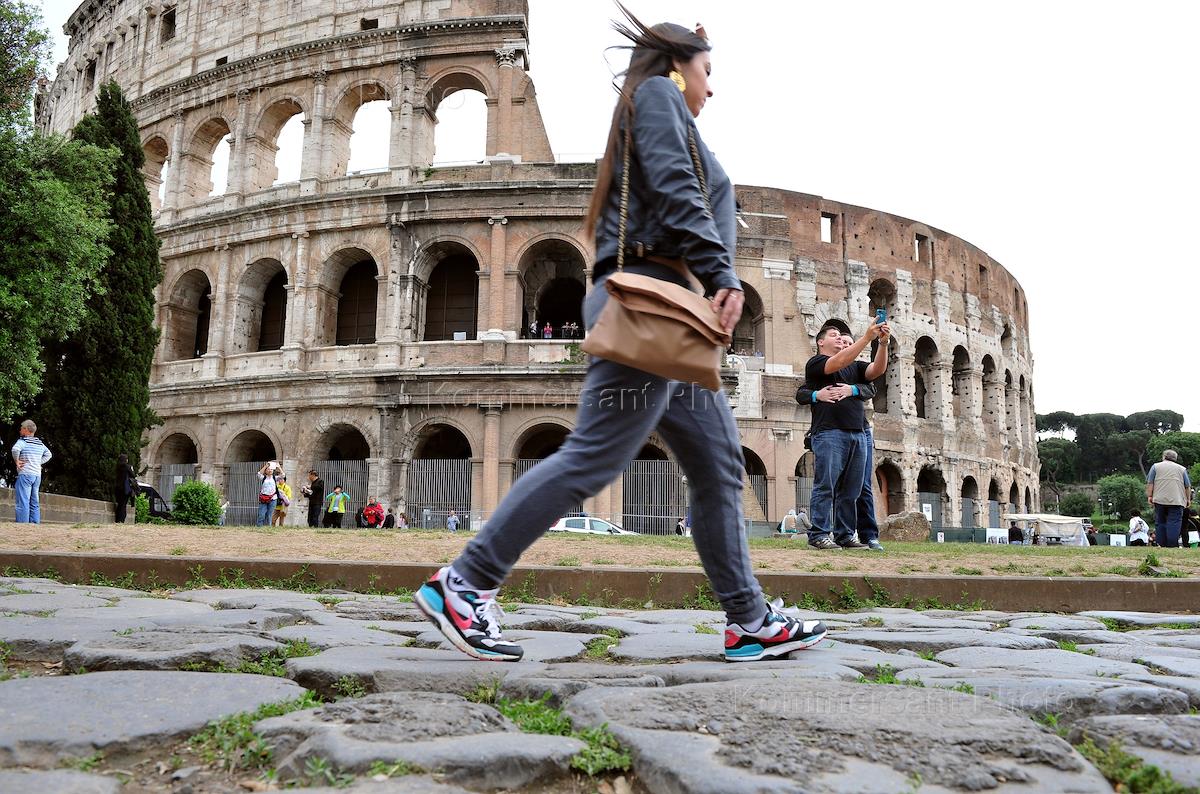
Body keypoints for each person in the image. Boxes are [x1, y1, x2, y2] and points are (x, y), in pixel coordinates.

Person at [414, 9, 826, 664]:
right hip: (649, 309)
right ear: (675, 63)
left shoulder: (658, 103)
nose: (711, 87)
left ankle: (748, 619)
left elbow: (679, 186)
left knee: (719, 469)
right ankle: (465, 583)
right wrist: (723, 272)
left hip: (672, 322)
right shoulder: (658, 94)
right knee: (594, 459)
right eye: (707, 69)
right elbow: (675, 185)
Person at [803, 317, 889, 550]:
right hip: (829, 431)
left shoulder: (855, 367)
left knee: (851, 490)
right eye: (833, 335)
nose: (839, 337)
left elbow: (876, 370)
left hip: (858, 433)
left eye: (841, 336)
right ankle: (819, 534)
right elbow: (836, 363)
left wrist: (882, 344)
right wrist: (865, 338)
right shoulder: (816, 363)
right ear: (821, 342)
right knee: (826, 486)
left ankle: (845, 534)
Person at [1146, 450, 1192, 548]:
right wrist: (1188, 499)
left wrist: (1150, 496)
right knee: (1174, 522)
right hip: (1177, 500)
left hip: (1159, 499)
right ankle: (1172, 545)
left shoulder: (1155, 467)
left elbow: (1150, 482)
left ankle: (1161, 544)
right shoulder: (1182, 469)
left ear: (1164, 457)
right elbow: (1187, 486)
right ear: (1175, 458)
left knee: (1160, 521)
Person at [12, 420, 52, 524]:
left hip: (25, 474)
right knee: (34, 500)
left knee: (23, 500)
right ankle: (34, 523)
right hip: (37, 475)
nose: (20, 430)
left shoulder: (22, 442)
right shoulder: (40, 443)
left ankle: (23, 523)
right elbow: (49, 454)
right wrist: (38, 463)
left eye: (21, 428)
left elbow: (15, 450)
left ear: (26, 430)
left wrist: (17, 460)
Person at [113, 453, 137, 524]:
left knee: (120, 504)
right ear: (126, 460)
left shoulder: (117, 467)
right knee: (123, 505)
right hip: (125, 489)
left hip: (117, 488)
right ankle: (121, 520)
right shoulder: (127, 467)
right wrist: (131, 468)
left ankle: (117, 520)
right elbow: (133, 475)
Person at [255, 462, 279, 527]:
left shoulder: (275, 478)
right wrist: (265, 466)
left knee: (270, 515)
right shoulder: (264, 478)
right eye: (268, 469)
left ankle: (268, 527)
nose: (270, 470)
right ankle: (259, 527)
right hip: (263, 498)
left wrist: (278, 467)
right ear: (266, 471)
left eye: (271, 469)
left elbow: (283, 475)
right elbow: (259, 474)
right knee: (261, 514)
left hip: (273, 498)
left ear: (273, 471)